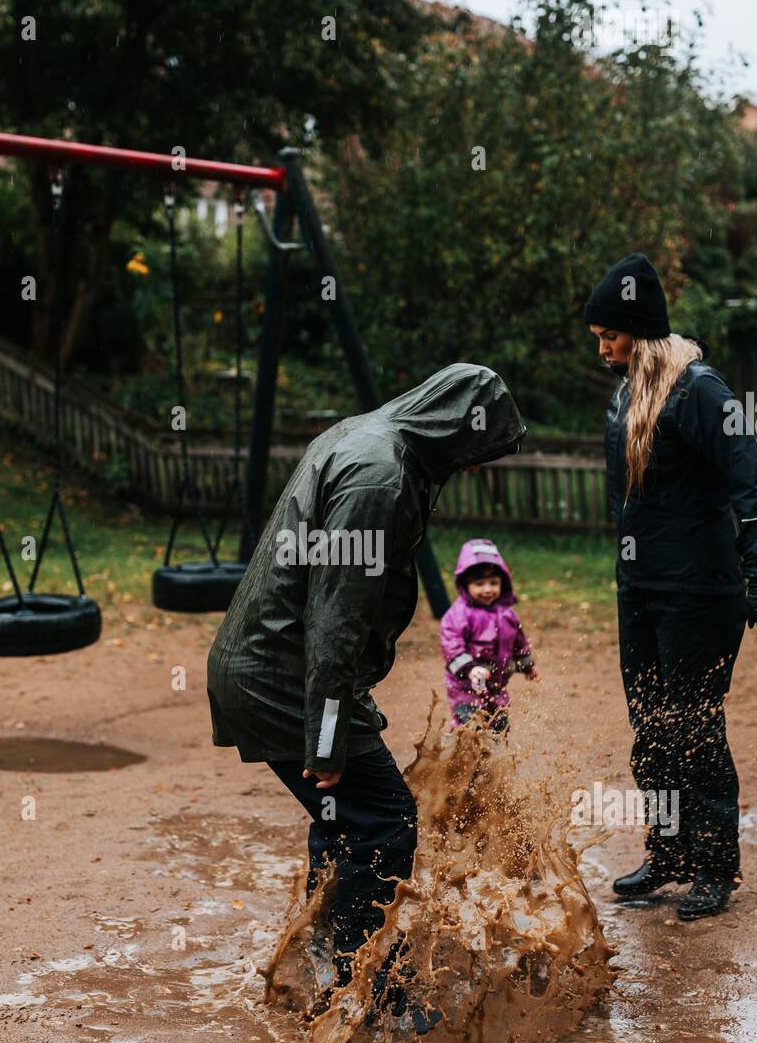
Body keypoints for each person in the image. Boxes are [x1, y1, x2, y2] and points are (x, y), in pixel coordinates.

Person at [207, 363, 526, 999]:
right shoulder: (379, 478)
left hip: (271, 666)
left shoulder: (369, 438)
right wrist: (327, 739)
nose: (473, 470)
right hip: (284, 677)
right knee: (385, 820)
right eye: (477, 454)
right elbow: (334, 618)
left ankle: (317, 964)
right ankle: (365, 992)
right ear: (459, 432)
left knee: (343, 818)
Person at [585, 252, 757, 920]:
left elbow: (753, 484)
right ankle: (670, 853)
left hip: (701, 592)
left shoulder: (700, 390)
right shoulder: (627, 391)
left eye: (611, 336)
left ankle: (715, 867)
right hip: (643, 588)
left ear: (642, 330)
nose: (603, 349)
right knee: (651, 730)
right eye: (598, 338)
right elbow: (625, 501)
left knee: (694, 727)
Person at [439, 538, 537, 735]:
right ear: (465, 584)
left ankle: (496, 762)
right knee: (469, 728)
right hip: (465, 688)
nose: (487, 589)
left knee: (500, 726)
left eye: (493, 583)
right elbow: (452, 646)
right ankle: (460, 760)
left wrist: (527, 664)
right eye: (479, 583)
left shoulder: (506, 613)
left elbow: (519, 642)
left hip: (496, 686)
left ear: (503, 582)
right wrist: (469, 669)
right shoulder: (459, 614)